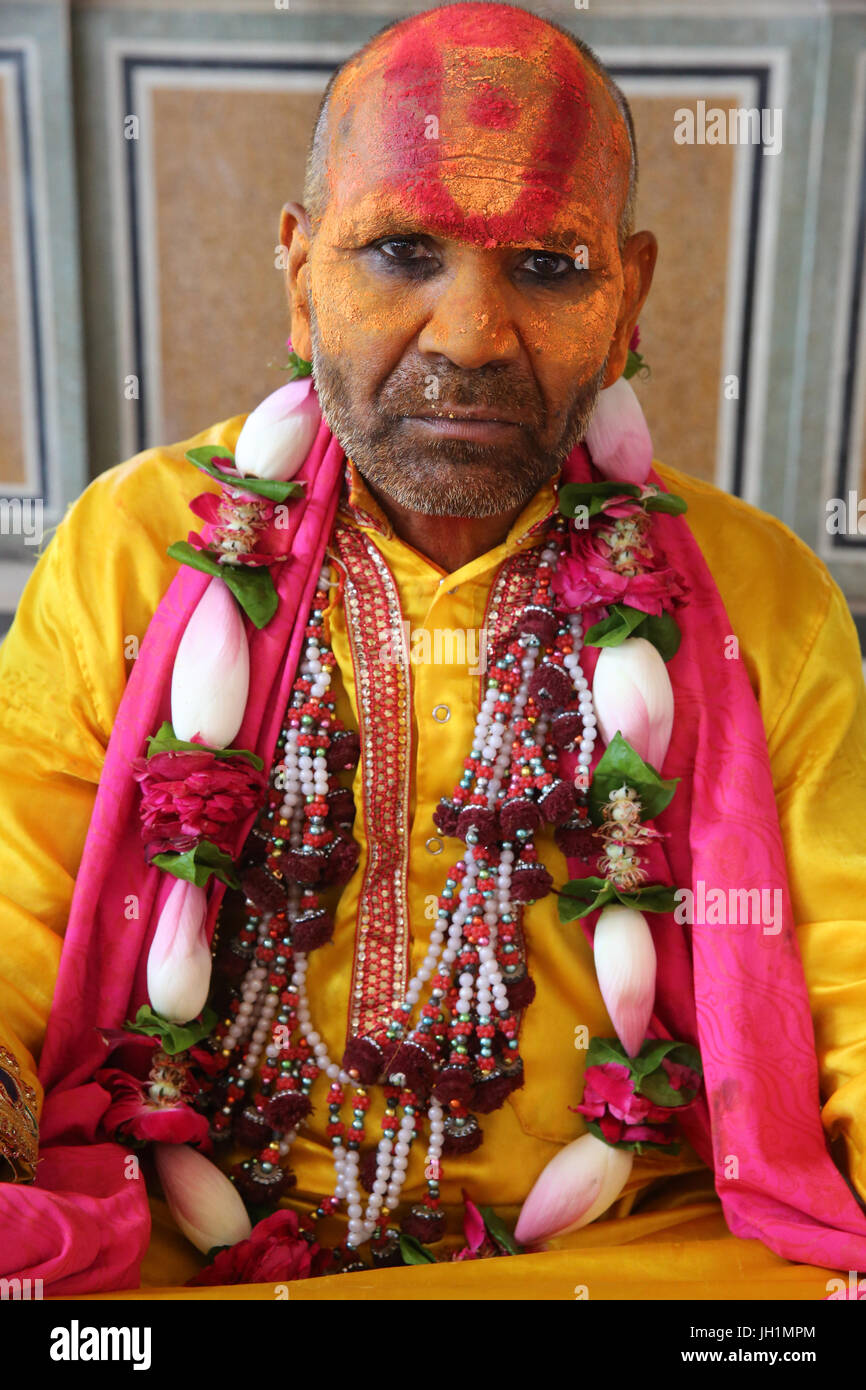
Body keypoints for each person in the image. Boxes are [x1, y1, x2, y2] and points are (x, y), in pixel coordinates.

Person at [1, 2, 865, 1300]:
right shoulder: (134, 547)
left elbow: (847, 957)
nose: (468, 335)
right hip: (186, 1239)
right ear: (299, 277)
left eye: (548, 267)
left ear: (626, 290)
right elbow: (18, 887)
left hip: (626, 1248)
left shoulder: (757, 596)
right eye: (400, 250)